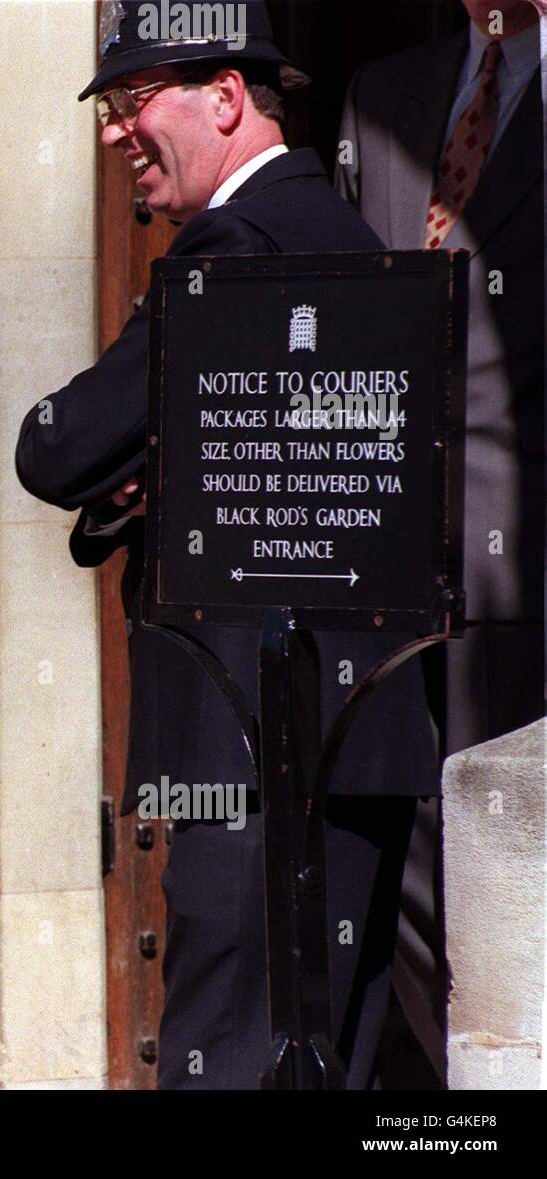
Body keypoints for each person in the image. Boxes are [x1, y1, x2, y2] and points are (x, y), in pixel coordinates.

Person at [15, 0, 438, 1088]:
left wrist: (130, 464)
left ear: (227, 96)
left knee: (227, 1057)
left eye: (133, 99)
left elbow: (56, 446)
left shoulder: (235, 243)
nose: (115, 131)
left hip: (254, 741)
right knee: (324, 1060)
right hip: (360, 735)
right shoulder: (342, 234)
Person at [336, 0, 545, 1085]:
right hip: (379, 568)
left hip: (525, 573)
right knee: (401, 880)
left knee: (513, 876)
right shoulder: (381, 95)